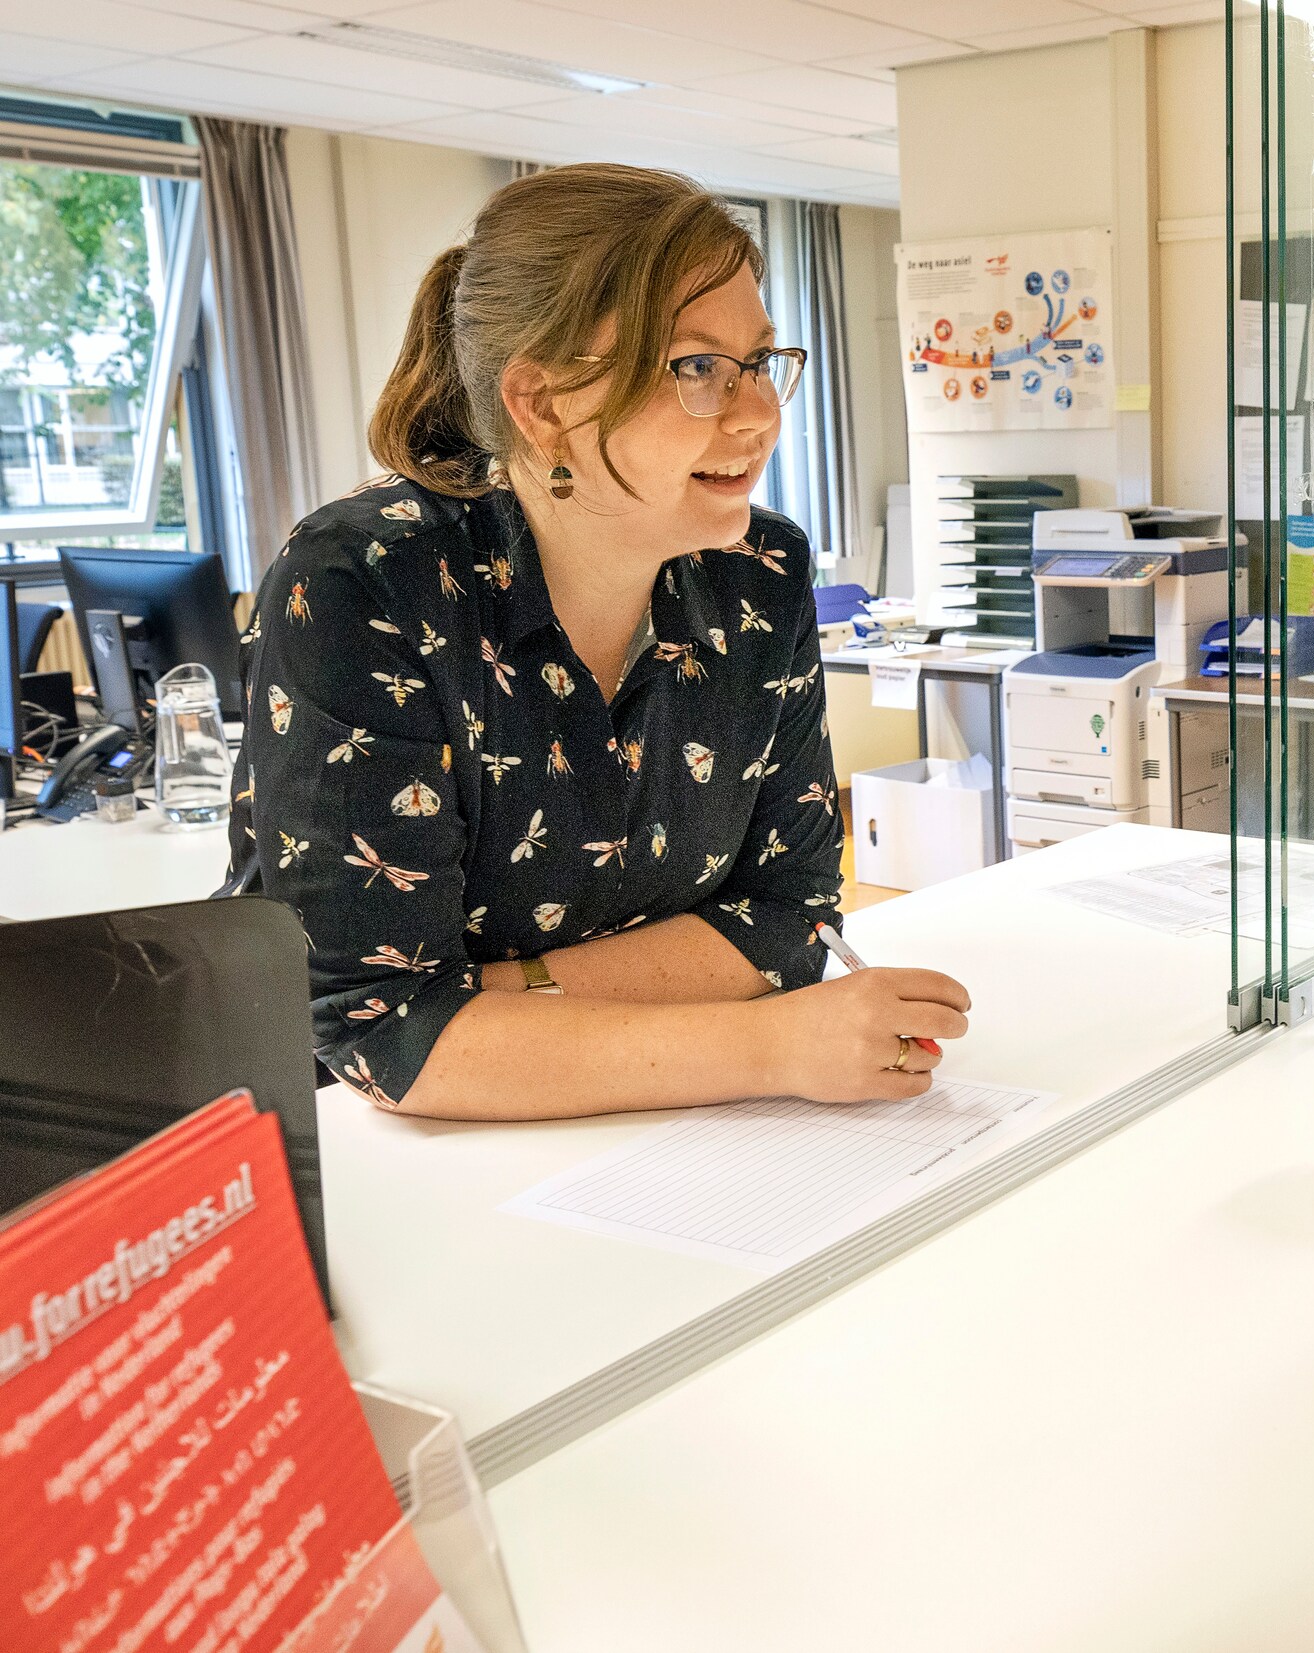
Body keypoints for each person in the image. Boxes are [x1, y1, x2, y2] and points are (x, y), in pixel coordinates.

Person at [229, 164, 969, 1121]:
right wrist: (773, 1039)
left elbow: (791, 915)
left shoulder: (761, 569)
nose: (758, 414)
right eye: (696, 368)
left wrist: (496, 1002)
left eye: (758, 362)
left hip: (658, 1139)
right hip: (380, 1163)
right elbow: (385, 1035)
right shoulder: (365, 584)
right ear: (543, 406)